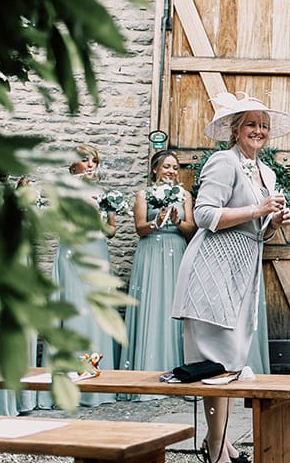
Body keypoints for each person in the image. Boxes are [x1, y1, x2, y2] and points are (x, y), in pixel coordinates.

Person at [172, 93, 290, 463]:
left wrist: (273, 222)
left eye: (262, 125)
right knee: (217, 360)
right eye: (250, 124)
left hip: (243, 267)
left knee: (233, 356)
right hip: (213, 264)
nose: (258, 131)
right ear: (234, 130)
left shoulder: (267, 173)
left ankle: (221, 440)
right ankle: (214, 447)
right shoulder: (222, 162)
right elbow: (205, 214)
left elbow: (256, 228)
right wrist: (258, 209)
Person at [40, 143, 120, 409]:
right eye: (84, 160)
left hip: (97, 254)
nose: (90, 165)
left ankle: (95, 380)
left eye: (93, 161)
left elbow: (111, 232)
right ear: (72, 165)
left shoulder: (104, 193)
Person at [121, 150, 196, 391]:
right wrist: (157, 221)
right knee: (152, 304)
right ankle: (148, 370)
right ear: (155, 170)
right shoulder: (144, 194)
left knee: (176, 306)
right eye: (166, 167)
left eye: (175, 167)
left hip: (177, 249)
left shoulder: (185, 195)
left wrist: (176, 222)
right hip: (151, 251)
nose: (171, 171)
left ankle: (180, 369)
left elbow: (191, 229)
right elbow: (139, 228)